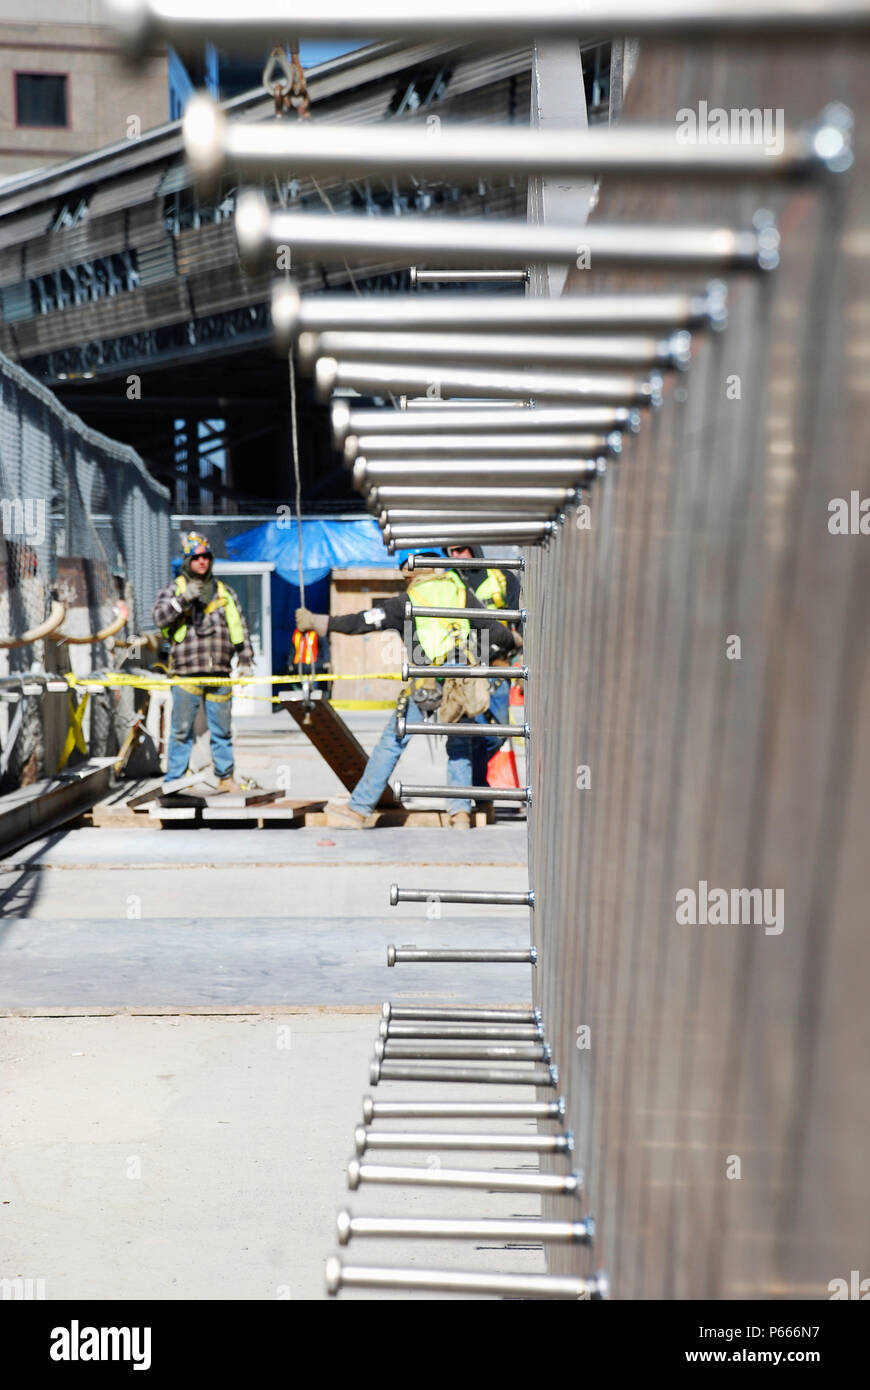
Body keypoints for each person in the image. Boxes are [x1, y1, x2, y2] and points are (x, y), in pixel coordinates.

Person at [295, 555, 520, 828]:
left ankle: (358, 809)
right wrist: (513, 641)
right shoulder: (460, 593)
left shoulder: (404, 602)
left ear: (407, 573)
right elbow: (494, 631)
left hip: (425, 681)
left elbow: (361, 622)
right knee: (460, 744)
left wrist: (317, 621)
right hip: (460, 679)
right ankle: (461, 813)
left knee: (392, 742)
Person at [152, 531, 254, 793]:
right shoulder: (174, 590)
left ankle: (225, 778)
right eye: (196, 557)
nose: (202, 562)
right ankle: (175, 781)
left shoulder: (224, 592)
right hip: (186, 674)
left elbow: (239, 626)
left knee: (221, 732)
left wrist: (245, 659)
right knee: (181, 731)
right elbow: (160, 619)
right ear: (187, 561)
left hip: (219, 673)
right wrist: (184, 600)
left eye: (206, 557)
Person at [444, 545, 523, 785]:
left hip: (497, 666)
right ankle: (476, 791)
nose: (456, 556)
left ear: (474, 549)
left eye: (461, 550)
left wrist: (520, 662)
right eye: (451, 552)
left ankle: (478, 789)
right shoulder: (448, 582)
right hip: (463, 668)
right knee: (467, 734)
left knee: (496, 734)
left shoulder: (500, 578)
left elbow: (520, 623)